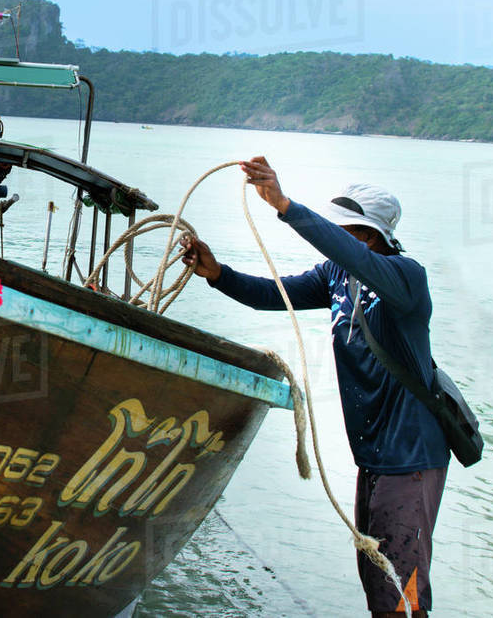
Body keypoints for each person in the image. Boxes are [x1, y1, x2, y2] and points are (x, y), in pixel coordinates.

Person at [180, 156, 448, 618]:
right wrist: (218, 274)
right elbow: (273, 293)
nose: (337, 240)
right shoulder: (337, 277)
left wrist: (283, 205)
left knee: (401, 589)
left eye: (347, 231)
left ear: (370, 237)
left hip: (411, 458)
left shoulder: (407, 279)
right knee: (377, 579)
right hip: (374, 458)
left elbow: (350, 255)